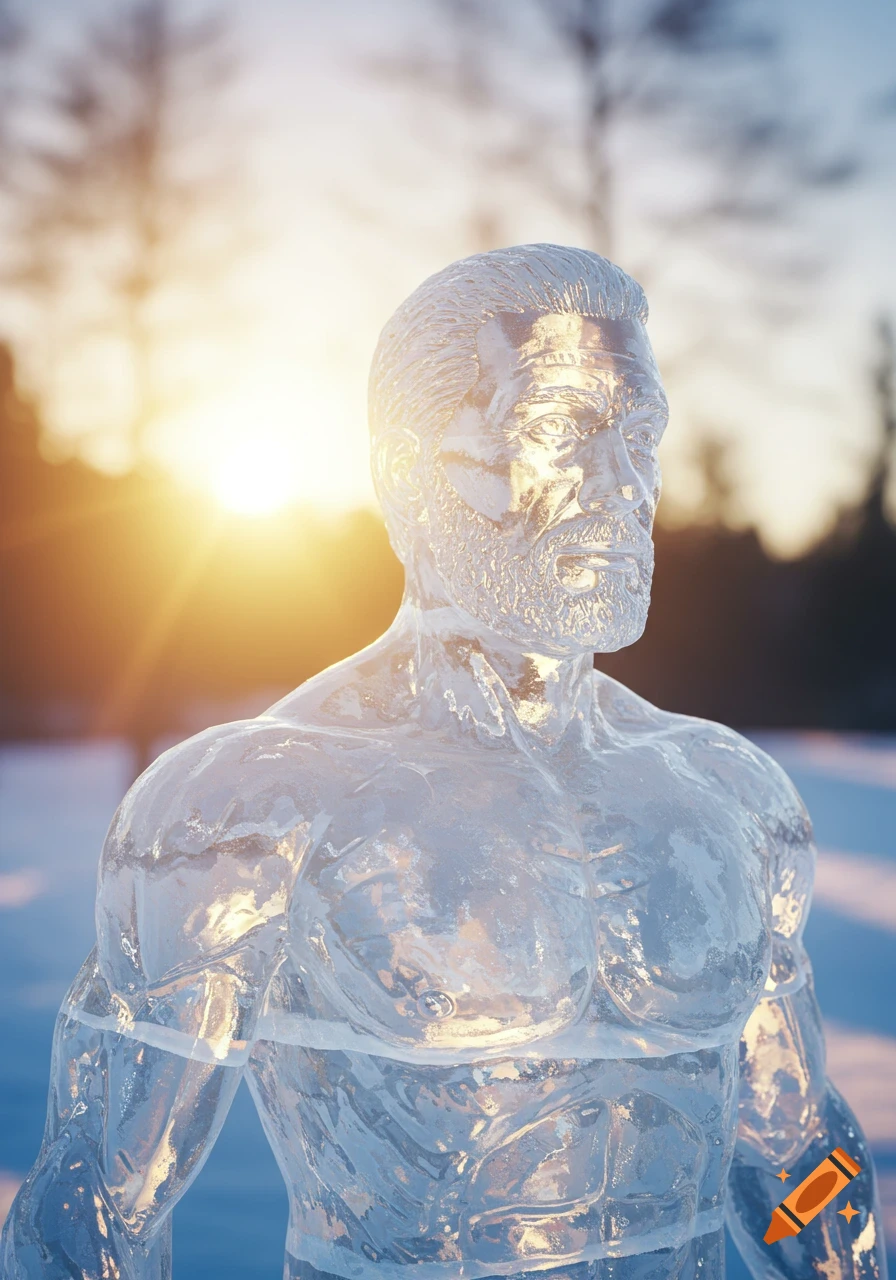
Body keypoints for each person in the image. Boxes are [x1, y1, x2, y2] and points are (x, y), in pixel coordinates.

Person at [1, 245, 886, 1279]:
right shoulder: (248, 807)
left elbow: (792, 1166)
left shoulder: (729, 800)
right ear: (407, 469)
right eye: (559, 429)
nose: (622, 483)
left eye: (639, 433)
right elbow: (95, 1204)